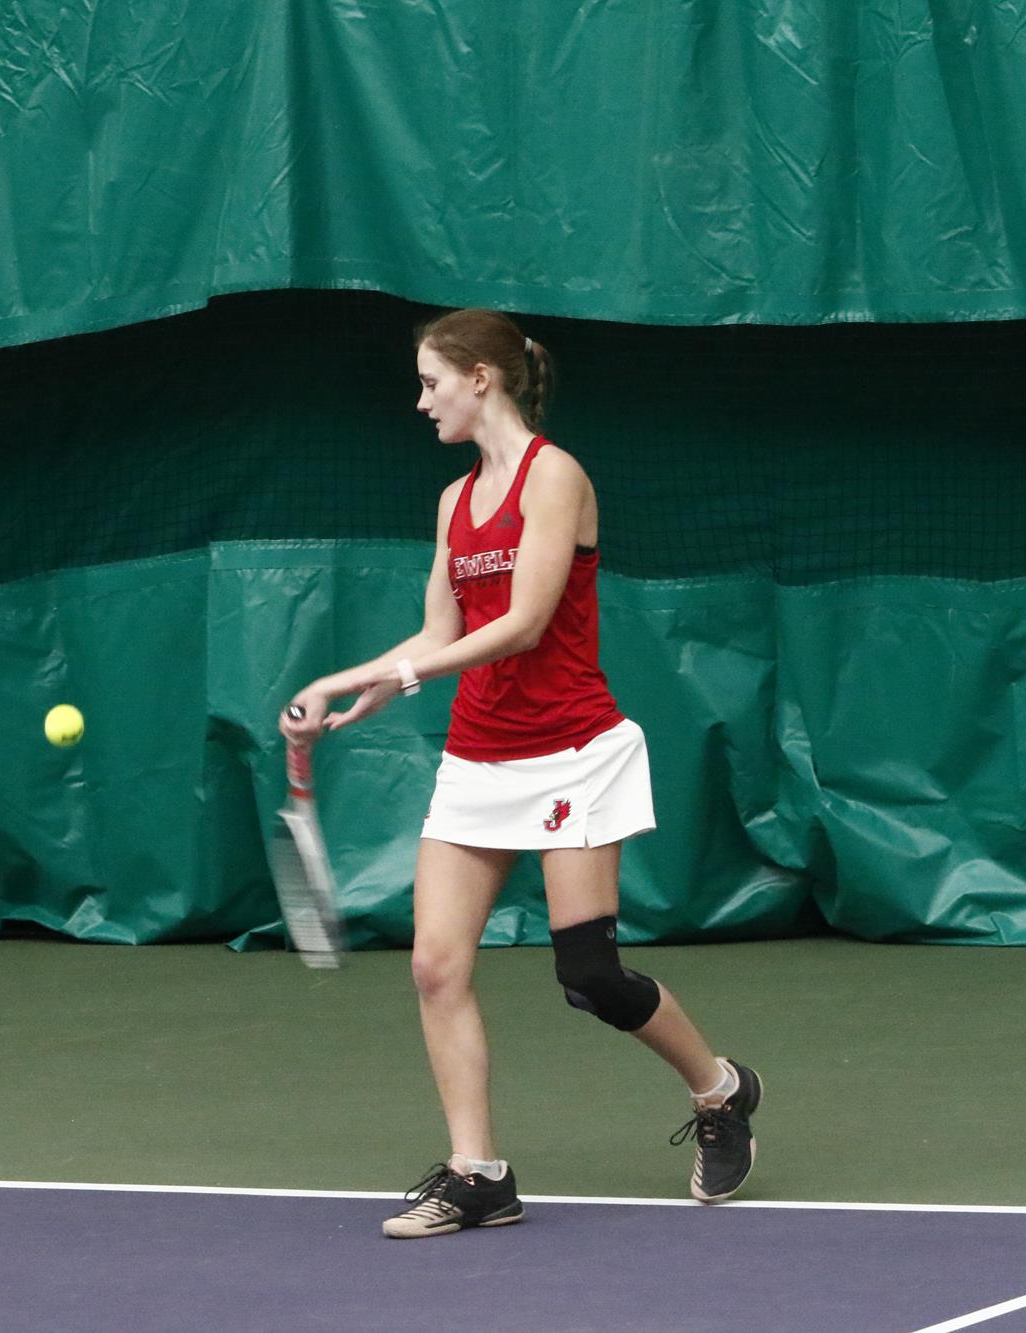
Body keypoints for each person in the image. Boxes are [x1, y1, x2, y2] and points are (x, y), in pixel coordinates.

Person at [278, 308, 762, 1240]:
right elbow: (441, 632)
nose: (421, 402)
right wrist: (352, 687)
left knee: (591, 977)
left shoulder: (557, 477)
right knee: (434, 963)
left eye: (431, 383)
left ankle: (720, 1088)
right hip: (478, 757)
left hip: (574, 751)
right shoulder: (454, 503)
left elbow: (529, 621)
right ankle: (479, 1174)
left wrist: (406, 672)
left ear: (481, 379)